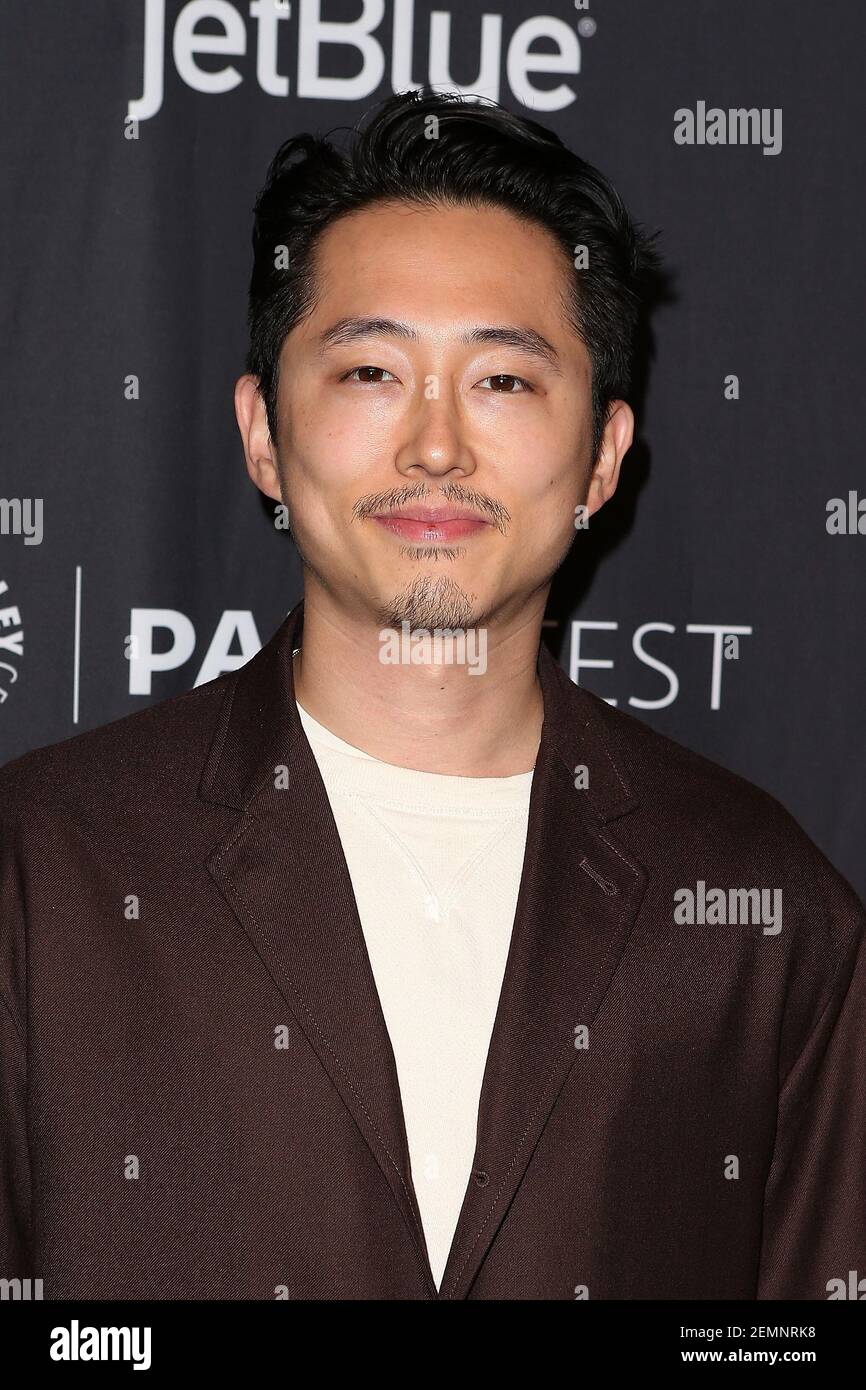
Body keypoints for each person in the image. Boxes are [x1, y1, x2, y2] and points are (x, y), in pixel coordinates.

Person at [1, 89, 863, 1301]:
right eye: (369, 369)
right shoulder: (46, 865)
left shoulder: (759, 904)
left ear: (605, 455)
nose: (435, 448)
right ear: (262, 432)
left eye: (502, 382)